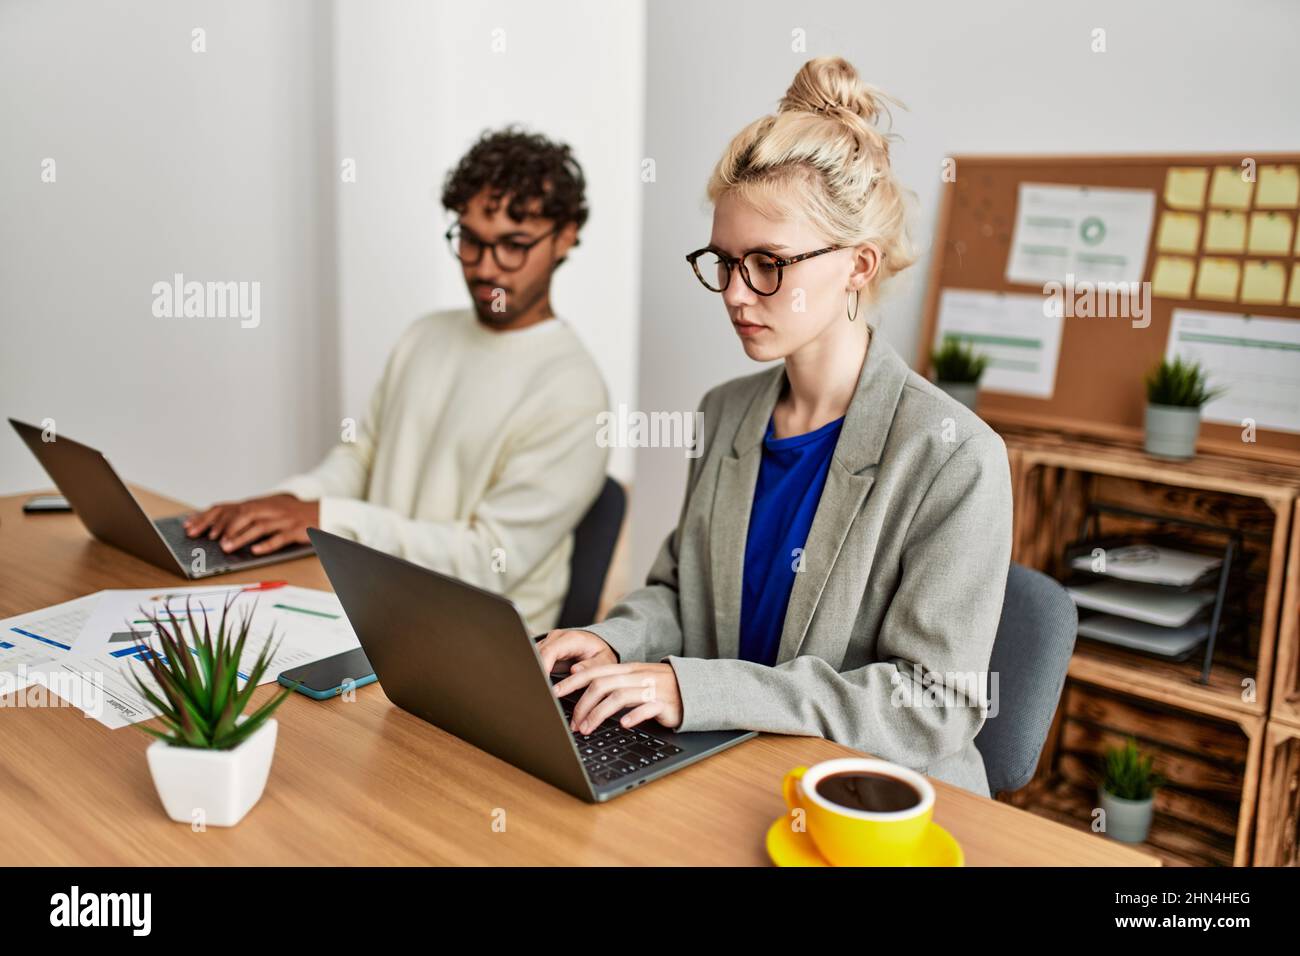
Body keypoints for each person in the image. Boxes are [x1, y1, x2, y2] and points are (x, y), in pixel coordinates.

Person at [539, 57, 1012, 796]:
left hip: (872, 804)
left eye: (768, 264)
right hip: (727, 772)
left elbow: (936, 701)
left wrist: (697, 691)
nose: (734, 294)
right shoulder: (725, 413)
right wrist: (610, 639)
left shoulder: (955, 456)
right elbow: (678, 592)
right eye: (724, 262)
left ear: (858, 265)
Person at [185, 127, 610, 635]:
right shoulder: (426, 335)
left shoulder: (574, 391)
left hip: (468, 642)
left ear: (565, 236)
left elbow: (486, 560)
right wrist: (281, 505)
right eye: (471, 241)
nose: (485, 267)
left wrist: (326, 517)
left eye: (513, 246)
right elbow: (361, 460)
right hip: (368, 604)